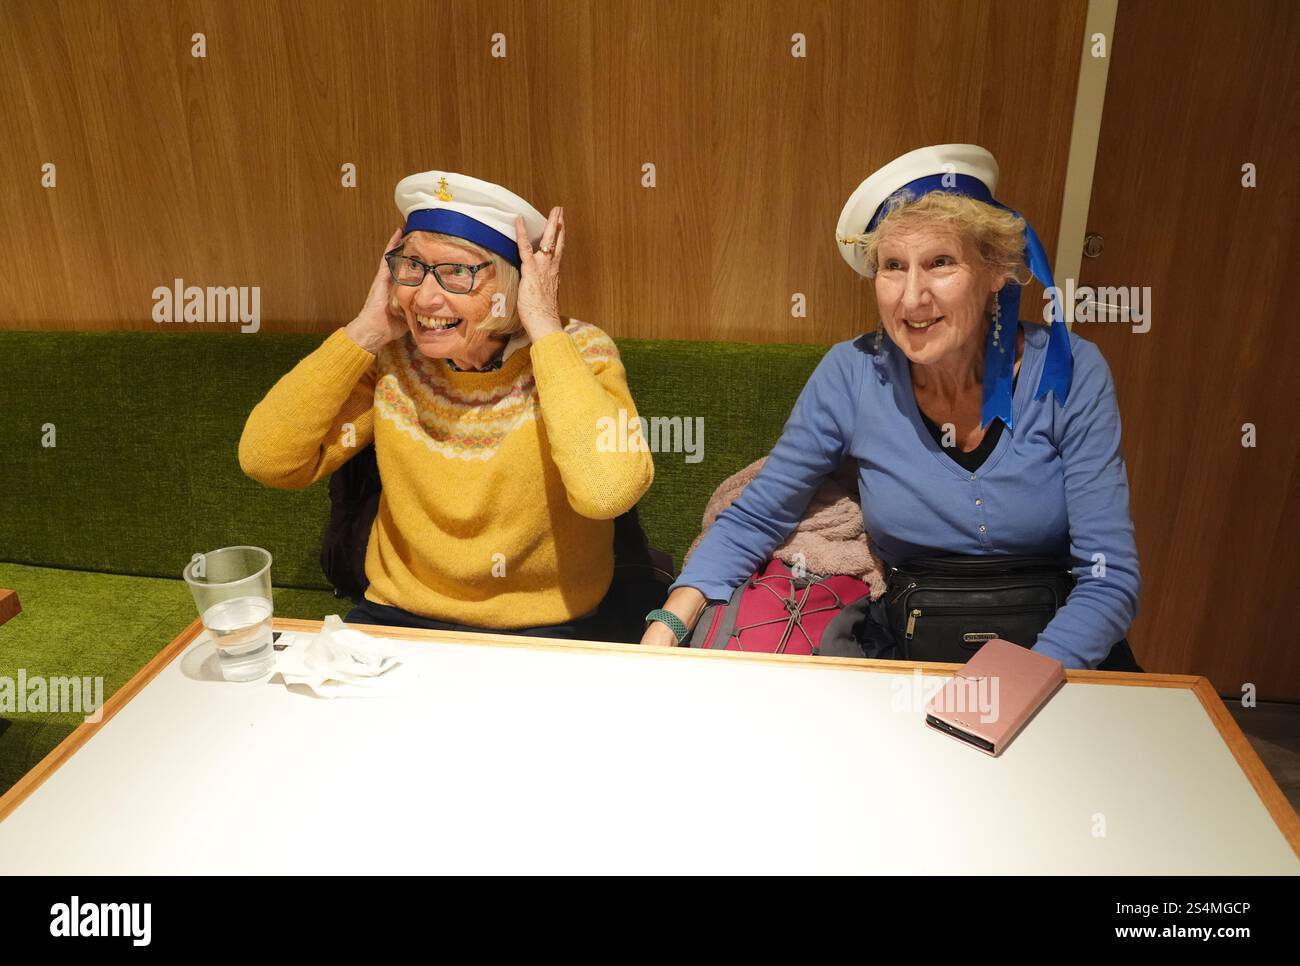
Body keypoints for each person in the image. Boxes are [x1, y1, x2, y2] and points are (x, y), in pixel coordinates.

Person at [641, 144, 1140, 670]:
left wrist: (1014, 687)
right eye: (893, 267)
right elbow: (759, 516)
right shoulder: (851, 373)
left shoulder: (1071, 370)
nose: (911, 298)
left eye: (941, 263)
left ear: (996, 270)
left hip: (1058, 647)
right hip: (909, 647)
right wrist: (667, 625)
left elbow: (1109, 575)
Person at [240, 170, 654, 637]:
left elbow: (608, 493)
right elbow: (267, 460)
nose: (425, 296)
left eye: (457, 273)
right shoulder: (391, 359)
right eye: (412, 267)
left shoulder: (579, 353)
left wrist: (544, 327)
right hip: (396, 615)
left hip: (543, 625)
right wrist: (364, 332)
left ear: (513, 287)